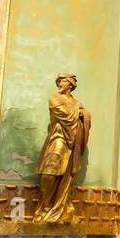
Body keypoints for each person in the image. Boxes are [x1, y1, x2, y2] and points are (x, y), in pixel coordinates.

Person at [33, 74, 91, 224]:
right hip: (58, 139)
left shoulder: (76, 102)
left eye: (62, 81)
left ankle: (61, 208)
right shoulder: (55, 98)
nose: (59, 83)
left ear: (70, 84)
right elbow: (64, 115)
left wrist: (84, 115)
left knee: (66, 176)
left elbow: (85, 116)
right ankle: (45, 206)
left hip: (72, 144)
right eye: (58, 81)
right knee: (49, 172)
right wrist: (77, 113)